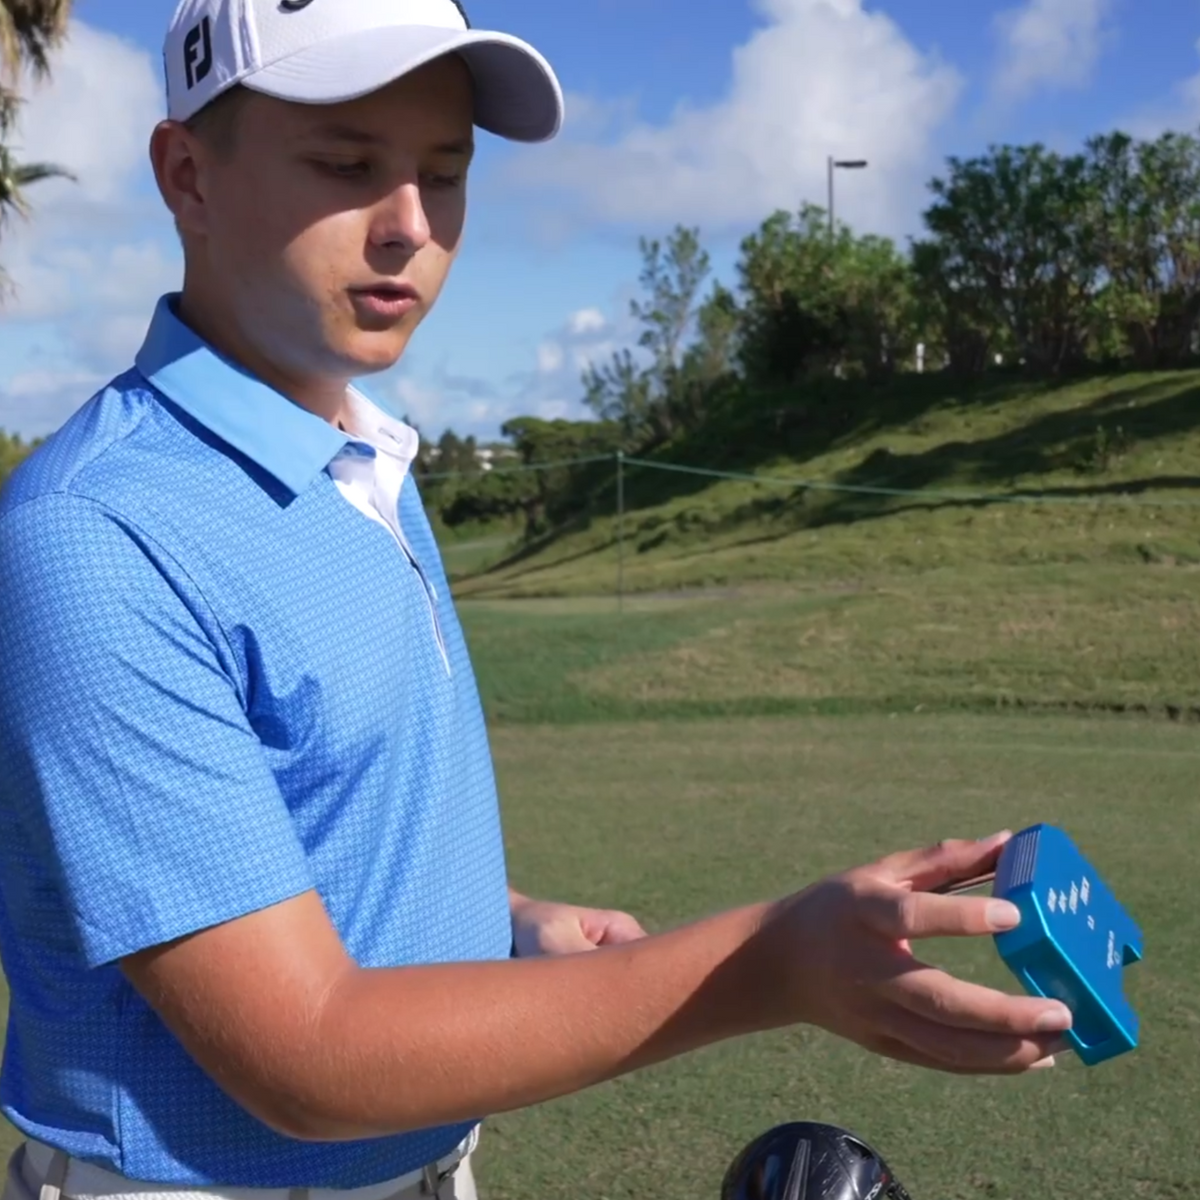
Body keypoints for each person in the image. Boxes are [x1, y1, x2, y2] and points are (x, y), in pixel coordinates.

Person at [0, 2, 1074, 1199]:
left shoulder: (363, 453)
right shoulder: (100, 531)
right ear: (186, 174)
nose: (410, 226)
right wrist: (770, 968)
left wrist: (500, 922)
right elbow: (304, 1054)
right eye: (348, 165)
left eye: (445, 173)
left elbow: (304, 823)